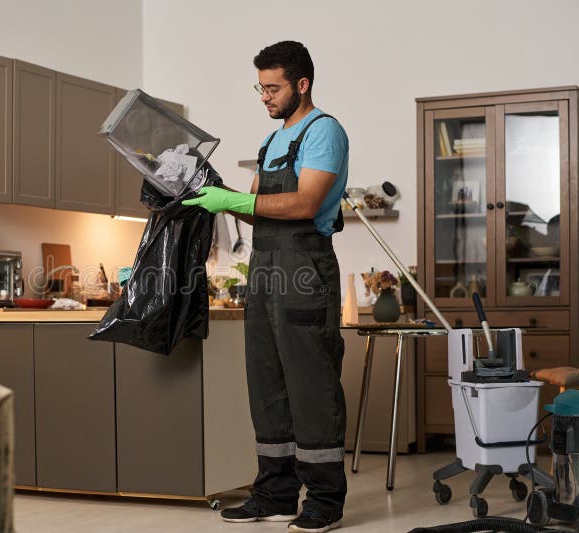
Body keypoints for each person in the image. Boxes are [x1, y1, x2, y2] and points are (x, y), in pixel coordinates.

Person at [183, 41, 349, 533]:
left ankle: (323, 501)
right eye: (260, 87)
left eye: (272, 87)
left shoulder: (324, 133)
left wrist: (233, 197)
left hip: (305, 273)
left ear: (302, 84)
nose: (264, 96)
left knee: (311, 387)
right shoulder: (271, 143)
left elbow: (304, 204)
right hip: (266, 272)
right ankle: (275, 494)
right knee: (268, 386)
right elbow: (253, 208)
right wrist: (206, 196)